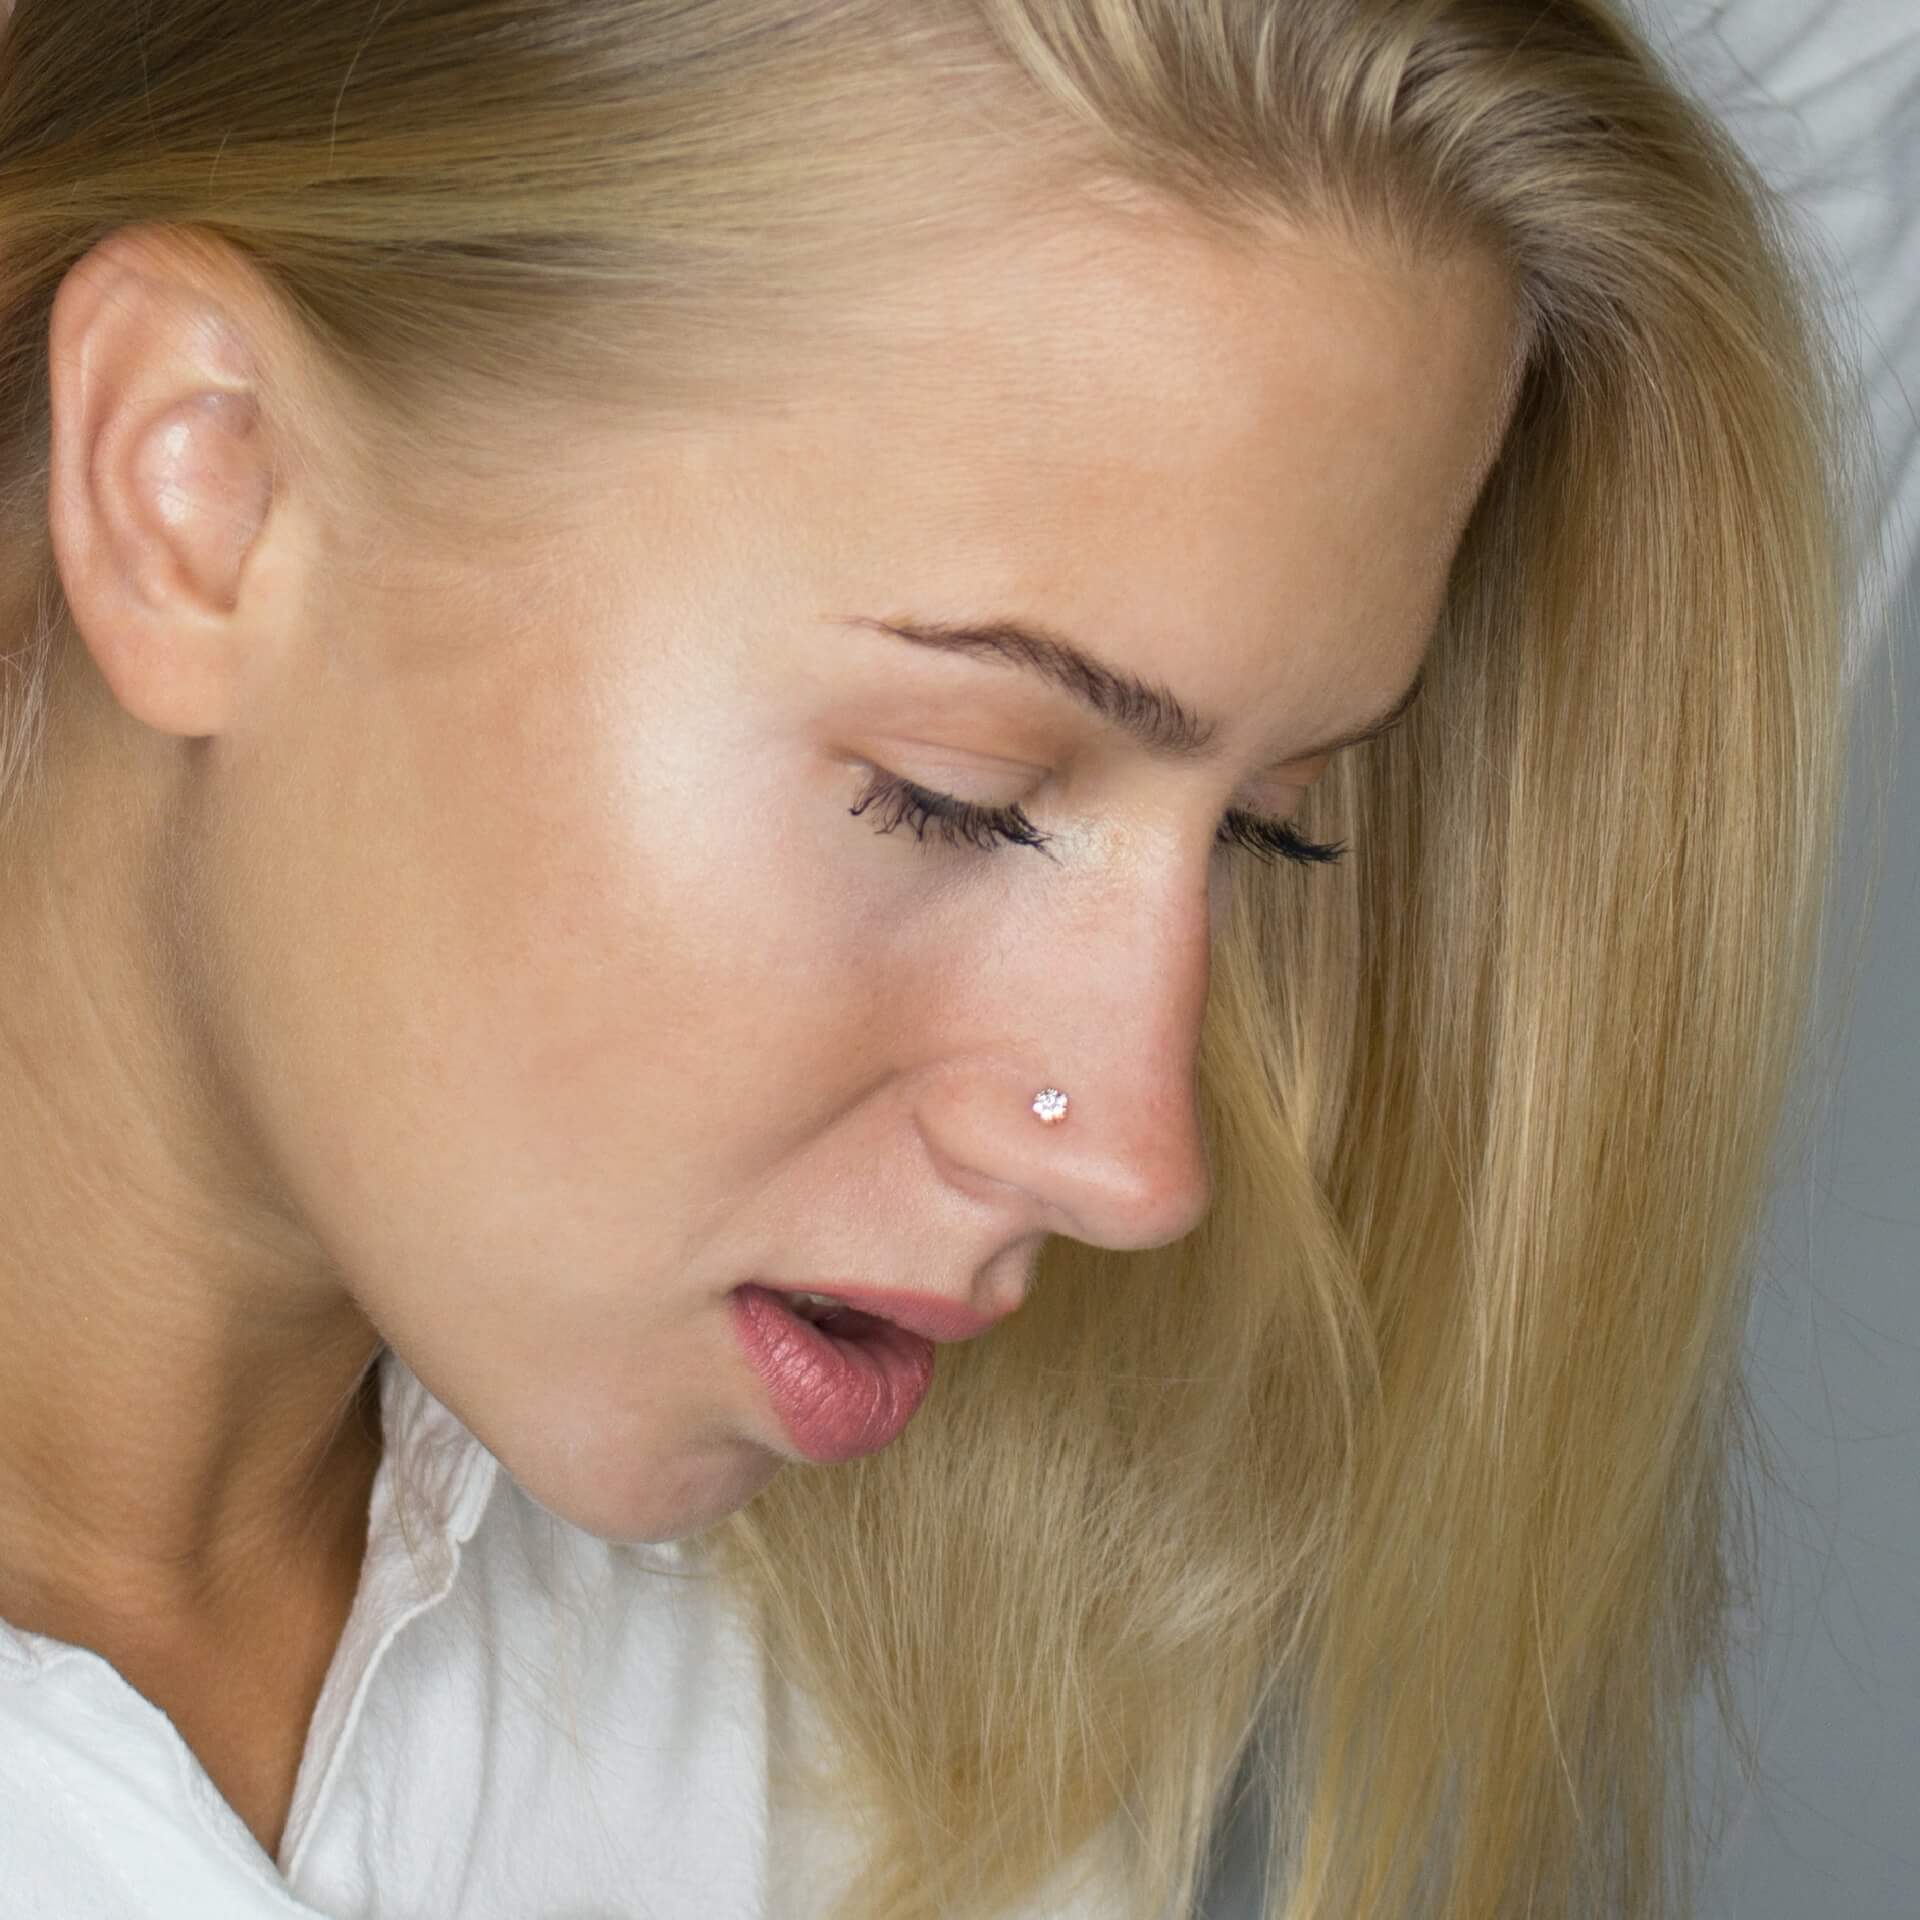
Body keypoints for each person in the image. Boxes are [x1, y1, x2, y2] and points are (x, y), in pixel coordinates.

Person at [0, 1, 1892, 1916]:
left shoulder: (895, 1750)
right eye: (956, 794)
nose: (1139, 1164)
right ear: (206, 491)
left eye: (1263, 827)